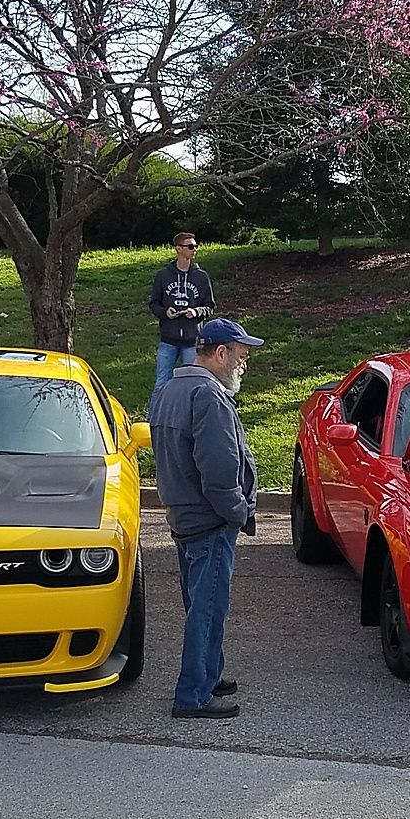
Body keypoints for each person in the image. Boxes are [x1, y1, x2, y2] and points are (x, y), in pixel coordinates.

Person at [150, 318, 261, 719]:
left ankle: (209, 677)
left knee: (201, 604)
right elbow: (219, 470)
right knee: (208, 609)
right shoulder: (209, 396)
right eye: (241, 356)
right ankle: (193, 695)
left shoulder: (170, 389)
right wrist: (239, 512)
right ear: (220, 353)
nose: (243, 365)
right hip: (209, 521)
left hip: (184, 516)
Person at [148, 232, 215, 420]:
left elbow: (210, 306)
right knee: (162, 382)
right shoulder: (163, 275)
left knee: (193, 384)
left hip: (192, 341)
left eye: (195, 246)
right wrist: (165, 312)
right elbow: (154, 303)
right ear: (178, 249)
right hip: (168, 340)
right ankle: (153, 420)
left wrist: (196, 312)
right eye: (190, 246)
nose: (195, 250)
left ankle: (189, 420)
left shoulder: (201, 277)